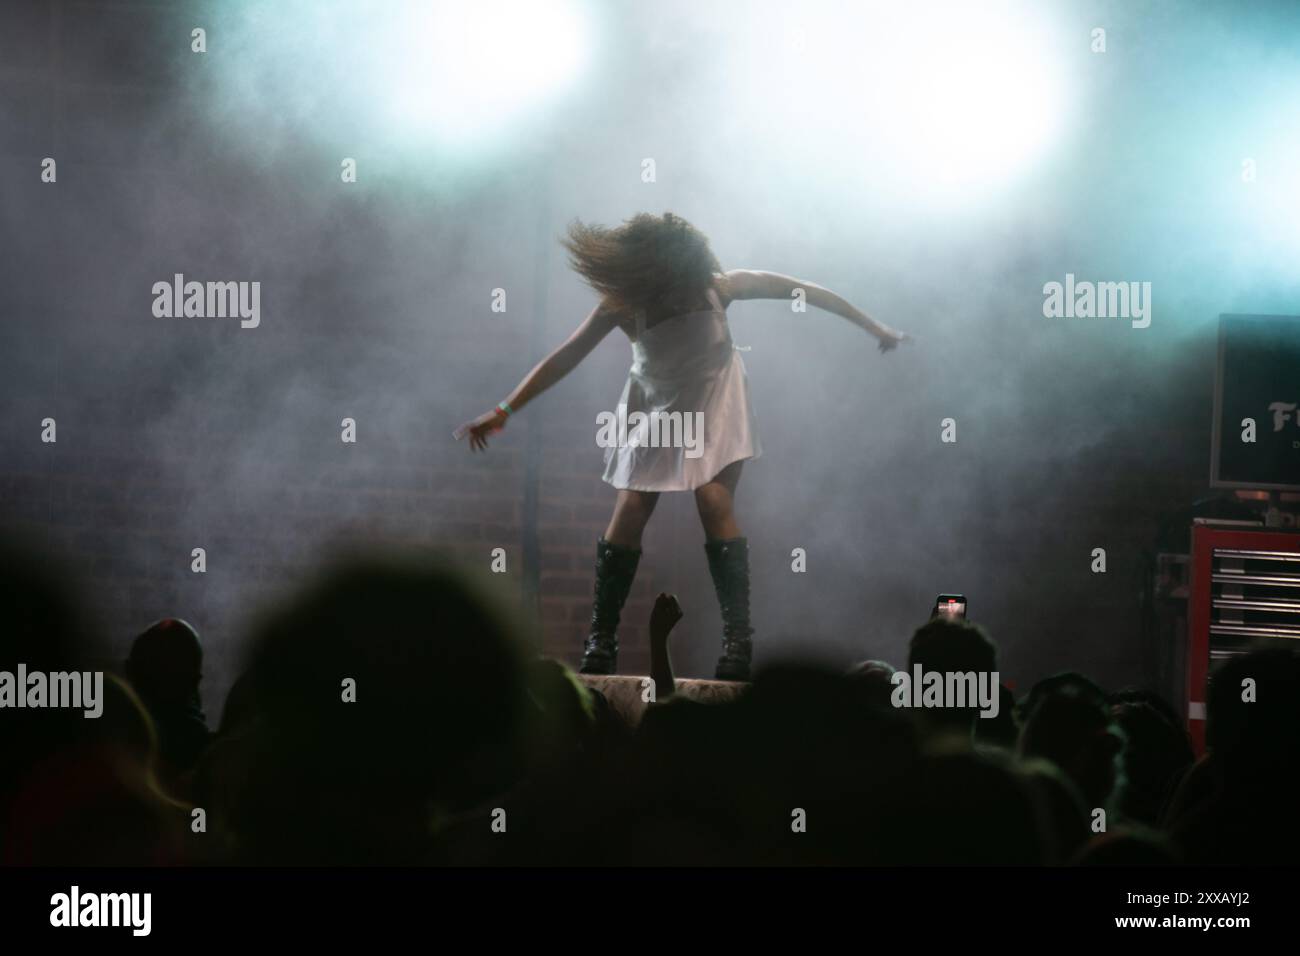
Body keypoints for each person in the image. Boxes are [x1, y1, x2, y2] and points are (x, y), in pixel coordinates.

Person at [458, 212, 908, 679]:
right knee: (631, 508)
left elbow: (807, 292)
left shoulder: (721, 287)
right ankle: (601, 637)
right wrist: (505, 410)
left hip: (715, 398)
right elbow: (566, 356)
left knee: (713, 499)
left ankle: (738, 641)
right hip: (655, 403)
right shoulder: (621, 305)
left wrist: (874, 327)